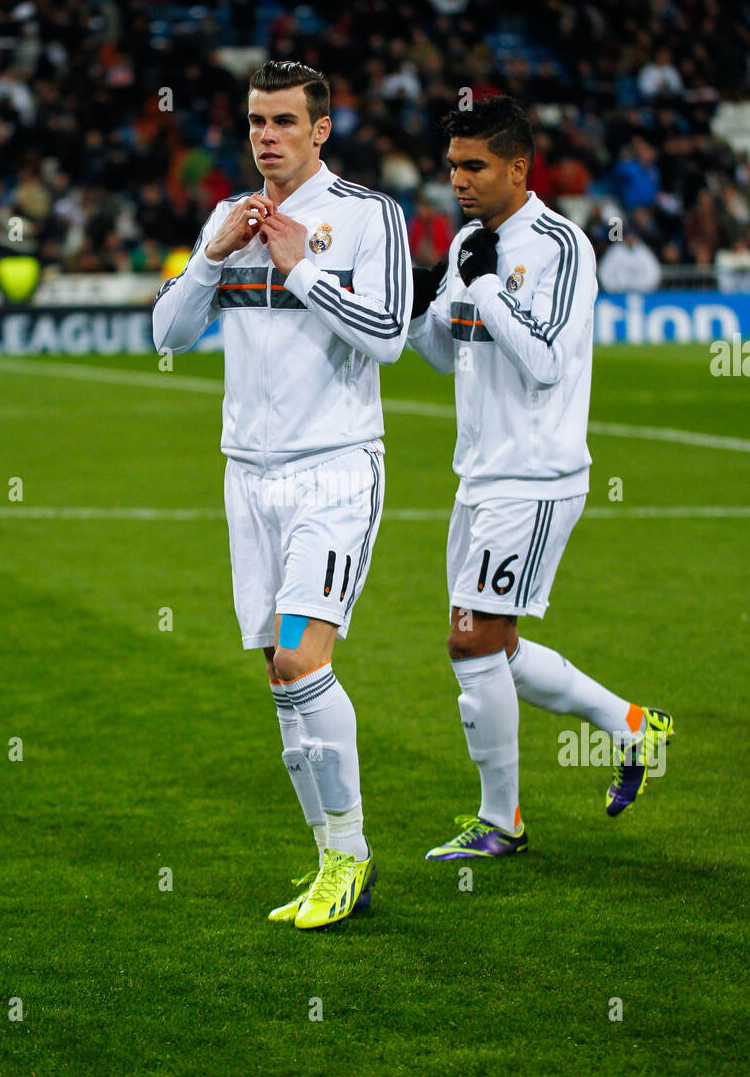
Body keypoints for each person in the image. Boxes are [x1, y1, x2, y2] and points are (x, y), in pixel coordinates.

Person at [152, 61, 412, 926]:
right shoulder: (228, 219)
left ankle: (352, 854)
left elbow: (389, 338)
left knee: (304, 658)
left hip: (333, 469)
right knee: (278, 675)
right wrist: (210, 256)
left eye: (284, 122)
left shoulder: (369, 217)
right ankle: (331, 859)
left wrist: (301, 267)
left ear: (321, 130)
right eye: (257, 121)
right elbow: (167, 333)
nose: (267, 136)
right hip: (246, 476)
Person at [407, 96, 673, 861]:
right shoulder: (467, 242)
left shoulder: (560, 246)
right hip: (480, 475)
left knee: (470, 642)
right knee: (496, 645)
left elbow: (549, 361)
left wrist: (486, 287)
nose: (457, 180)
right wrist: (432, 304)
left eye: (474, 166)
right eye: (452, 165)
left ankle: (501, 822)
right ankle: (632, 726)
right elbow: (442, 355)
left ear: (518, 169)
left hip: (537, 473)